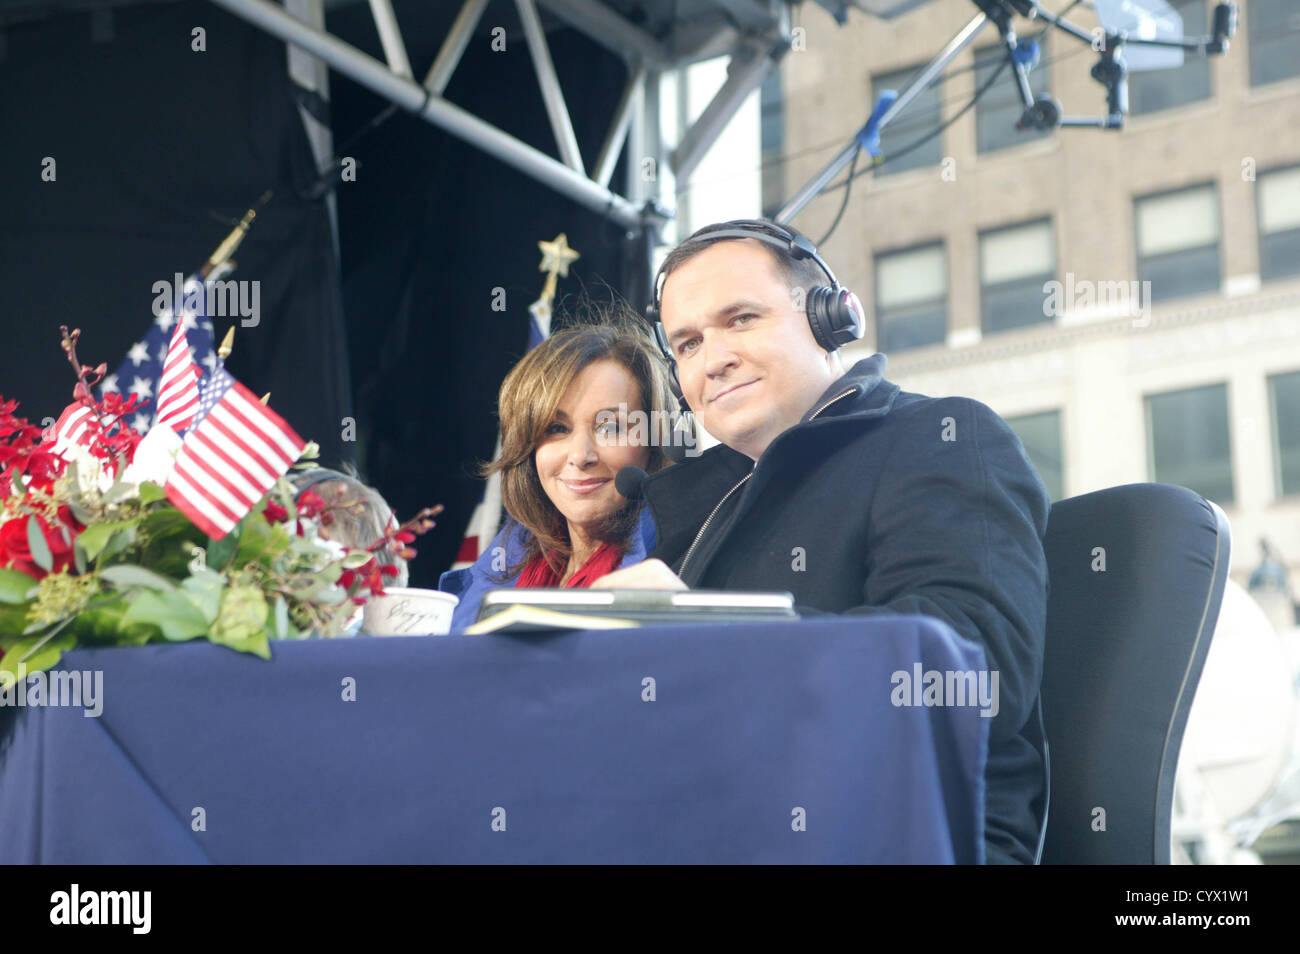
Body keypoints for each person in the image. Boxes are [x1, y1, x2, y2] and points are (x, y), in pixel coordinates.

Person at [594, 219, 1051, 865]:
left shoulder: (940, 435)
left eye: (741, 319)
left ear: (827, 318)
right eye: (689, 343)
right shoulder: (700, 509)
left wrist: (704, 629)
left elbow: (976, 666)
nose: (713, 358)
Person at [439, 316, 677, 631]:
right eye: (556, 428)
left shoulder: (683, 558)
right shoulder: (512, 551)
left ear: (654, 442)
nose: (580, 456)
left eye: (610, 427)